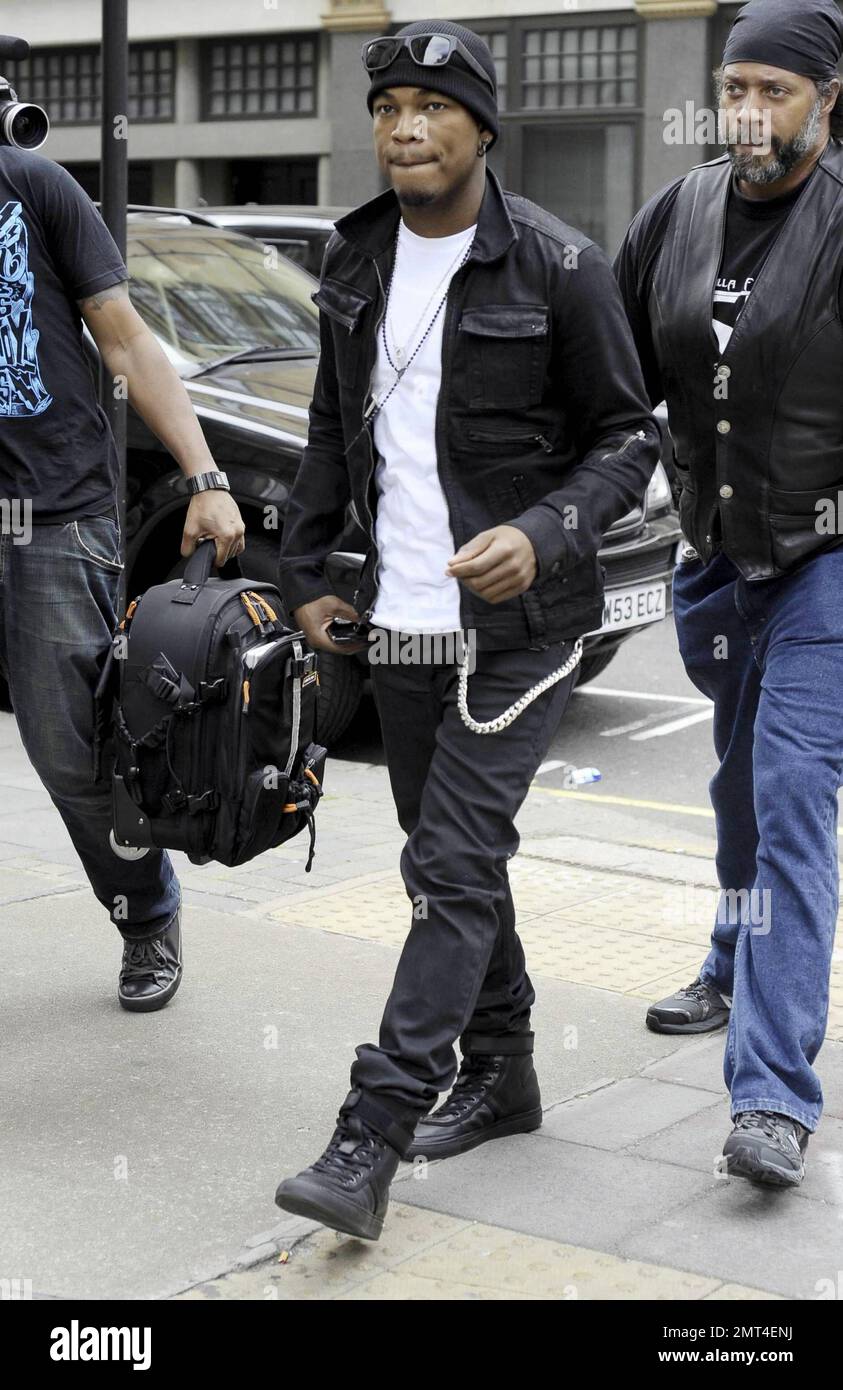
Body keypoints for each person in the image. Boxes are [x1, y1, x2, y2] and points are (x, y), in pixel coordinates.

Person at [275, 19, 660, 1241]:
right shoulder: (353, 261)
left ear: (481, 127)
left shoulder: (557, 265)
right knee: (451, 861)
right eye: (387, 106)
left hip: (517, 629)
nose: (404, 127)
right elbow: (336, 430)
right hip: (399, 624)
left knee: (446, 867)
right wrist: (305, 573)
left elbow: (629, 436)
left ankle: (370, 1131)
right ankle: (508, 1075)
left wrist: (546, 530)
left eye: (432, 107)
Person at [614, 0, 843, 1187]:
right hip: (713, 556)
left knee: (793, 795)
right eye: (733, 87)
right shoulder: (681, 210)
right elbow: (612, 368)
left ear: (827, 100)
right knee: (740, 785)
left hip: (824, 559)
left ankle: (772, 1098)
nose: (748, 113)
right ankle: (727, 952)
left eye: (775, 91)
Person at [0, 145, 244, 1011]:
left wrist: (204, 477)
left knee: (74, 754)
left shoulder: (31, 185)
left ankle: (144, 915)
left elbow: (126, 338)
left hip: (51, 512)